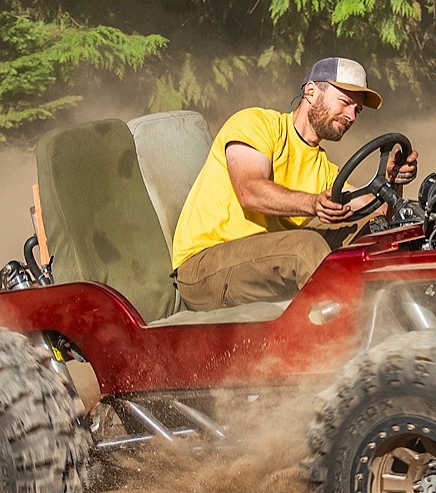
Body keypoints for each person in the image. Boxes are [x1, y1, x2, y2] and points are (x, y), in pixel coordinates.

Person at [171, 56, 419, 312]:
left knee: (373, 231)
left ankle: (409, 316)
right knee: (305, 248)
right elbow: (249, 191)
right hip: (203, 266)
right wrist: (312, 203)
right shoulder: (256, 124)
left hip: (262, 263)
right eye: (345, 102)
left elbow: (377, 211)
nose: (351, 116)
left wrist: (392, 180)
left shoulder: (324, 168)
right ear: (311, 91)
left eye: (357, 110)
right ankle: (351, 340)